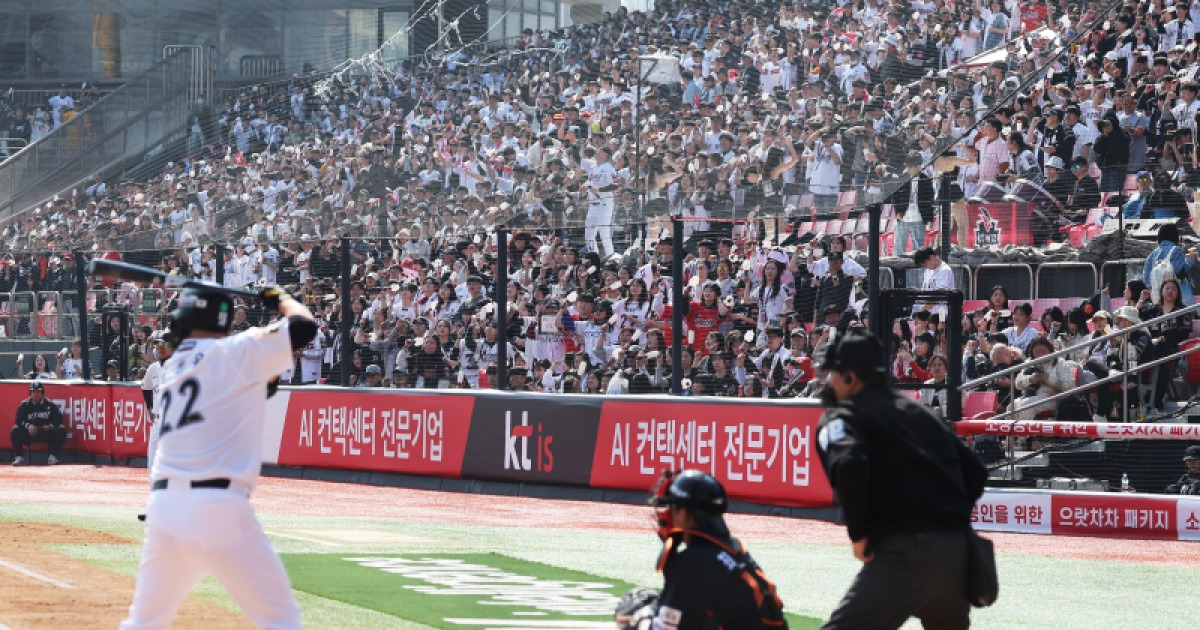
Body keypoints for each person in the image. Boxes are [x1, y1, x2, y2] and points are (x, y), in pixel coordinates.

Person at [120, 285, 317, 629]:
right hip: (217, 508)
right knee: (281, 618)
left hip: (164, 510)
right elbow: (304, 326)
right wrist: (281, 299)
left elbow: (253, 386)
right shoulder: (235, 351)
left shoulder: (175, 364)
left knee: (145, 623)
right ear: (225, 323)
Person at [815, 330, 987, 630]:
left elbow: (851, 465)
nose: (827, 381)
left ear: (851, 378)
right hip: (956, 553)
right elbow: (975, 470)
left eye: (832, 374)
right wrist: (950, 521)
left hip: (905, 551)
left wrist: (859, 535)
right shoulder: (919, 411)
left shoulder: (843, 415)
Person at [614, 469, 787, 630]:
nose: (666, 513)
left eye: (672, 507)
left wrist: (638, 619)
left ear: (685, 513)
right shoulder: (732, 549)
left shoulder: (695, 561)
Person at [10, 381, 66, 466]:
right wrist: (28, 426)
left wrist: (50, 426)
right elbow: (18, 420)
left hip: (45, 433)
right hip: (29, 434)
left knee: (61, 429)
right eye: (33, 392)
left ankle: (53, 456)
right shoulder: (25, 405)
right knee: (15, 430)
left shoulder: (50, 404)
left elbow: (59, 418)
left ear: (42, 393)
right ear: (30, 393)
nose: (36, 394)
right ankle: (19, 457)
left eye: (38, 392)